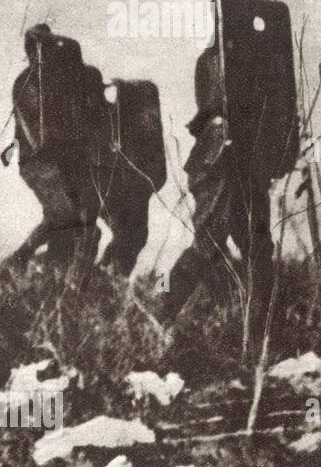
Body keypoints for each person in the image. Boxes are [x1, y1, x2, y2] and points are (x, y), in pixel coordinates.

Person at [162, 41, 273, 324]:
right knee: (207, 245)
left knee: (257, 247)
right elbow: (218, 104)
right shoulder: (214, 59)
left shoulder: (251, 56)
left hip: (243, 162)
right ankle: (161, 312)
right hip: (215, 162)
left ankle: (258, 331)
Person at [8, 24, 100, 269]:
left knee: (77, 220)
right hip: (37, 162)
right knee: (64, 215)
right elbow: (40, 135)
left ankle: (50, 267)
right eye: (39, 49)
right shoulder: (27, 81)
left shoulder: (60, 80)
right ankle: (21, 258)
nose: (45, 54)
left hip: (61, 160)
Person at [86, 74, 154, 276]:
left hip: (125, 182)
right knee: (126, 235)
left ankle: (104, 277)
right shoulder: (90, 116)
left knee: (136, 236)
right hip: (103, 184)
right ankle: (110, 279)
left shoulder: (114, 113)